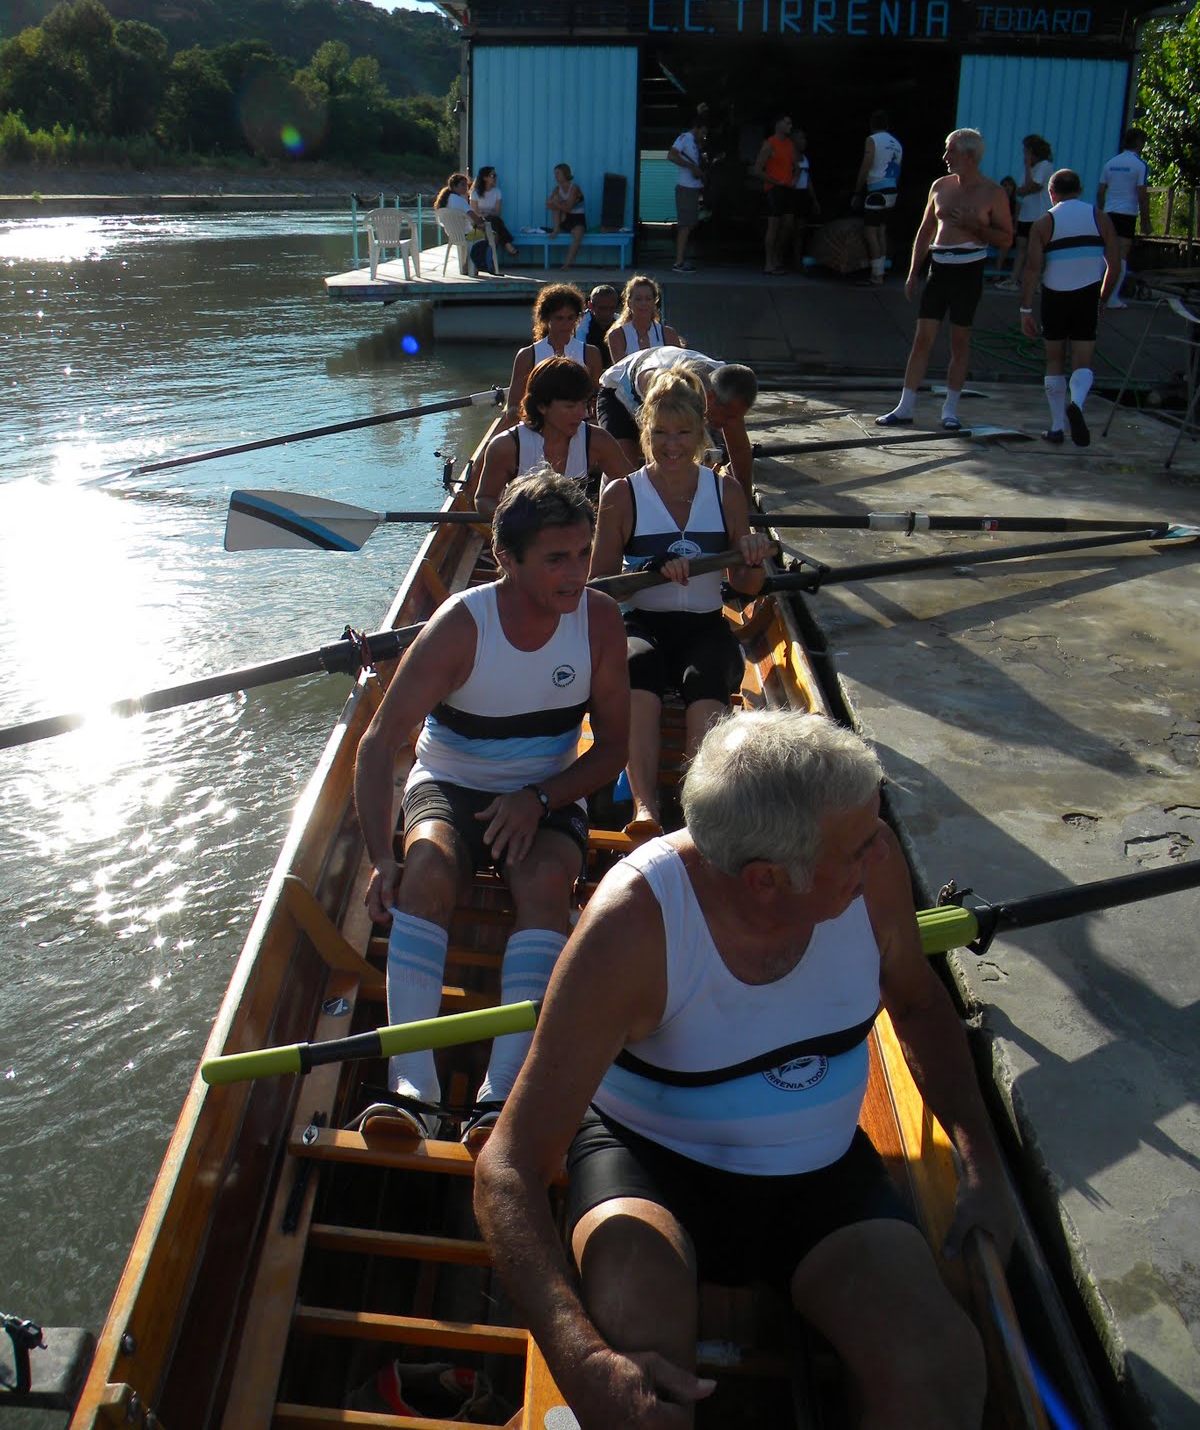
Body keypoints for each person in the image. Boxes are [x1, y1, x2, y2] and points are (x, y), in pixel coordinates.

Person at [475, 708, 1011, 1430]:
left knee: (941, 1369)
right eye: (855, 848)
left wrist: (981, 1162)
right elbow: (508, 1167)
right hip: (651, 1164)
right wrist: (585, 1363)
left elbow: (916, 1005)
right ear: (767, 881)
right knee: (641, 1387)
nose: (881, 855)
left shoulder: (870, 863)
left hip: (818, 1174)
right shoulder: (635, 926)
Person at [353, 469, 630, 1147]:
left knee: (543, 888)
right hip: (449, 782)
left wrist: (537, 799)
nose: (576, 573)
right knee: (427, 878)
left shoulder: (599, 621)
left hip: (545, 789)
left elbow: (614, 749)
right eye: (557, 559)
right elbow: (380, 744)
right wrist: (381, 858)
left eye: (585, 554)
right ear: (506, 560)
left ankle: (499, 1094)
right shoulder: (460, 626)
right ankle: (411, 1088)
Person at [588, 367, 775, 835]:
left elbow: (747, 588)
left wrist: (752, 559)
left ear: (700, 433)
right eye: (660, 433)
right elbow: (597, 590)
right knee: (638, 667)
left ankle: (695, 810)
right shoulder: (622, 495)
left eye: (683, 433)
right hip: (641, 625)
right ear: (645, 432)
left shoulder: (725, 491)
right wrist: (643, 576)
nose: (672, 444)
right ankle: (645, 808)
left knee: (706, 676)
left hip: (706, 626)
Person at [877, 129, 1013, 431]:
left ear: (968, 155)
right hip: (939, 267)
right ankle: (905, 406)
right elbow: (925, 230)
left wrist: (973, 226)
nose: (945, 157)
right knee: (923, 337)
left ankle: (950, 408)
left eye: (950, 151)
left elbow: (1006, 239)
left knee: (959, 340)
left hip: (969, 269)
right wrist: (913, 271)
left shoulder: (993, 193)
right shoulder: (940, 186)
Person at [1019, 168, 1121, 447]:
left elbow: (1031, 269)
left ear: (1052, 193)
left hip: (1054, 295)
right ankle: (1075, 404)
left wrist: (1025, 310)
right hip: (1087, 294)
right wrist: (1103, 297)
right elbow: (1115, 265)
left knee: (1054, 360)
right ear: (1079, 190)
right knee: (1083, 359)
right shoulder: (1100, 218)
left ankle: (1055, 426)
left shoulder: (1043, 223)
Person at [475, 357, 633, 519]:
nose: (581, 414)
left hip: (576, 536)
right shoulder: (505, 446)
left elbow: (633, 490)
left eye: (583, 404)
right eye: (570, 406)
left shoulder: (598, 440)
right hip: (526, 538)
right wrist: (517, 520)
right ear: (541, 406)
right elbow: (484, 499)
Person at [596, 343, 757, 495]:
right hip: (618, 394)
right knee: (624, 465)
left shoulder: (729, 390)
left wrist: (744, 506)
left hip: (670, 378)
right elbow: (655, 444)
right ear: (709, 397)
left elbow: (739, 451)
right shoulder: (663, 386)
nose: (730, 424)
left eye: (736, 418)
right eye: (728, 416)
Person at [502, 283, 604, 428]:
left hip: (580, 425)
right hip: (538, 427)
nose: (566, 325)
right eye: (559, 318)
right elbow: (512, 408)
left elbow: (599, 400)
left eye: (570, 318)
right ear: (546, 319)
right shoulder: (526, 355)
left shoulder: (591, 354)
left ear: (577, 318)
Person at [1097, 127, 1151, 309]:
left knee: (1106, 255)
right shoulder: (1140, 165)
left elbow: (1101, 191)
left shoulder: (1110, 163)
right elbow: (1142, 194)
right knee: (1121, 257)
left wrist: (1102, 211)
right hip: (1127, 214)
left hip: (1109, 213)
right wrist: (1145, 220)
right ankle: (1111, 298)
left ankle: (1096, 293)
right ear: (1137, 143)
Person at [997, 134, 1053, 292]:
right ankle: (1013, 279)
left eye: (1026, 151)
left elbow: (1033, 186)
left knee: (1036, 249)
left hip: (1039, 214)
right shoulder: (1029, 169)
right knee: (1021, 247)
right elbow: (1020, 190)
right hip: (1026, 214)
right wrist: (1025, 185)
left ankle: (1036, 282)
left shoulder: (1044, 166)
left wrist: (1028, 167)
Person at [853, 108, 903, 286]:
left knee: (870, 232)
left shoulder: (872, 140)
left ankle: (876, 274)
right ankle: (880, 271)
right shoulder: (897, 143)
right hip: (891, 189)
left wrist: (857, 190)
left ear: (871, 125)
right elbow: (897, 170)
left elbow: (866, 164)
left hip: (876, 189)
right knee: (881, 231)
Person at [753, 114, 797, 275]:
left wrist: (795, 177)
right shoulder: (769, 144)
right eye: (787, 123)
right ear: (778, 124)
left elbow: (794, 165)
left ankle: (777, 257)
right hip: (775, 189)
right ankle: (769, 263)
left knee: (788, 225)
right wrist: (775, 181)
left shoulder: (790, 144)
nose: (790, 126)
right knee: (773, 226)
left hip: (788, 188)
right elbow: (757, 170)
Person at [605, 274, 683, 364]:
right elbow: (622, 372)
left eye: (648, 299)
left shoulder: (669, 334)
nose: (643, 303)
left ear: (655, 302)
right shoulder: (617, 336)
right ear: (629, 303)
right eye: (638, 299)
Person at [667, 112, 707, 273]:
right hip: (686, 189)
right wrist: (691, 167)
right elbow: (671, 155)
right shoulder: (684, 138)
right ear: (696, 128)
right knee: (685, 226)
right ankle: (678, 263)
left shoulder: (696, 144)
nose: (704, 135)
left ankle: (682, 260)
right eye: (703, 132)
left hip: (694, 188)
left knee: (689, 225)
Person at [790, 125, 821, 270]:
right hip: (792, 193)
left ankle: (797, 260)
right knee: (788, 228)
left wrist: (814, 200)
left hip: (803, 194)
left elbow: (808, 180)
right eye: (801, 138)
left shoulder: (805, 158)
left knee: (800, 230)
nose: (804, 141)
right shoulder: (789, 157)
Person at [469, 165, 517, 259]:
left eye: (495, 175)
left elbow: (498, 212)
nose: (495, 178)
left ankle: (492, 258)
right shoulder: (474, 193)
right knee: (495, 220)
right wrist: (487, 214)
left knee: (495, 220)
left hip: (492, 222)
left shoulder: (497, 192)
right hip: (479, 223)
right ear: (484, 178)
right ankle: (507, 244)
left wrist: (487, 214)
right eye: (492, 176)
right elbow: (475, 213)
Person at [546, 163, 586, 270]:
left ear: (565, 174)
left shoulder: (574, 188)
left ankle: (567, 264)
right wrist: (557, 203)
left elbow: (569, 207)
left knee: (578, 235)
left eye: (558, 174)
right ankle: (556, 228)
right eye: (555, 174)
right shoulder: (557, 189)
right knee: (556, 201)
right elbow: (547, 204)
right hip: (565, 218)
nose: (555, 176)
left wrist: (557, 203)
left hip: (577, 218)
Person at [575, 284, 620, 367]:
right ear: (590, 306)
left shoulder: (621, 323)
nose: (607, 313)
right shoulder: (579, 325)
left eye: (612, 308)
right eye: (602, 308)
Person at [990, 176, 1019, 281]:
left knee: (1007, 240)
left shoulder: (1017, 205)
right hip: (995, 234)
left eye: (1010, 185)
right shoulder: (995, 203)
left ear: (1014, 188)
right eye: (1005, 185)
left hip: (1010, 235)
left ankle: (998, 273)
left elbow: (1016, 225)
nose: (1007, 188)